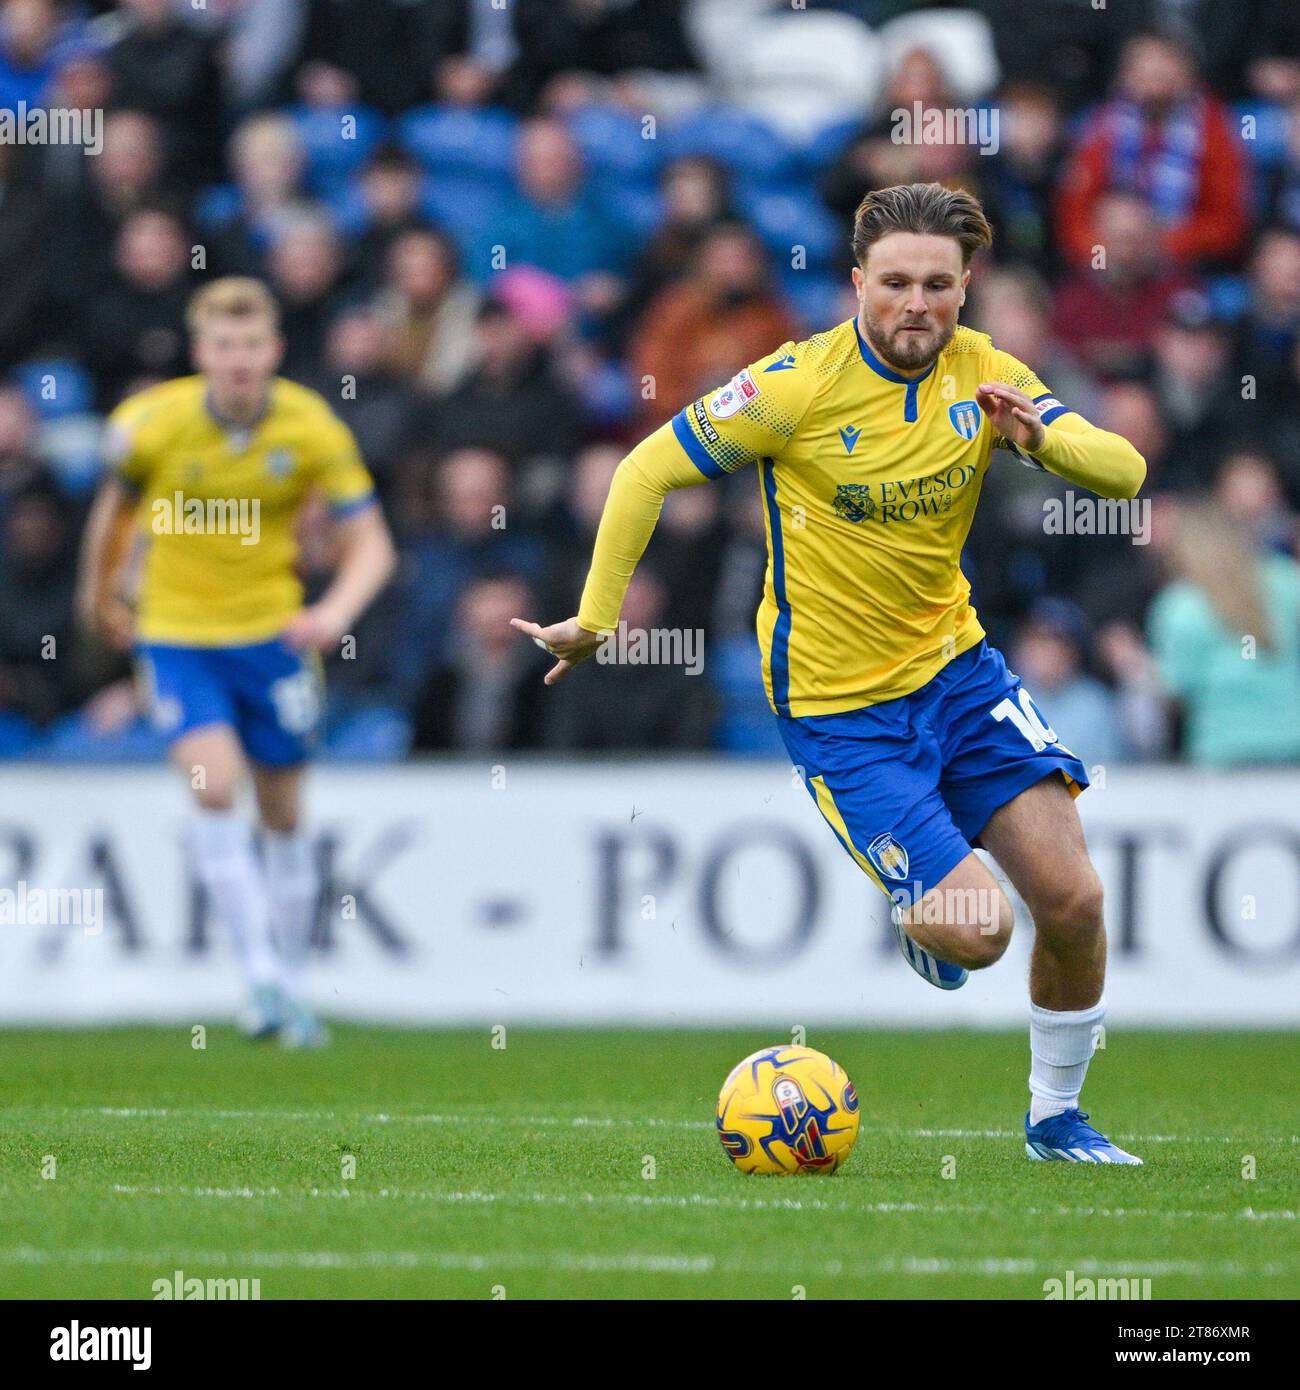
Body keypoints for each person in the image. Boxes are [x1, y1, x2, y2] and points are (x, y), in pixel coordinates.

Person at [514, 182, 1149, 1164]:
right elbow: (644, 468)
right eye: (894, 281)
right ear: (858, 282)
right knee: (977, 932)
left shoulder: (985, 372)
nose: (915, 304)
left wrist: (1041, 434)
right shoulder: (792, 386)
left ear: (964, 286)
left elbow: (1124, 472)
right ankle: (927, 921)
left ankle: (1055, 1117)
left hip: (961, 678)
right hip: (841, 712)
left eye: (936, 285)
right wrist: (596, 618)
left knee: (1073, 903)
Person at [74, 277, 396, 1046]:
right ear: (201, 353)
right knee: (214, 787)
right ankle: (257, 978)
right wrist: (98, 600)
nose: (239, 360)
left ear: (275, 350)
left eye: (252, 345)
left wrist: (334, 613)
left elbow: (373, 542)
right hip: (177, 633)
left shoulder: (311, 426)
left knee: (283, 813)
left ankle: (292, 979)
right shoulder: (149, 425)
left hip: (272, 638)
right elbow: (111, 518)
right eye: (224, 346)